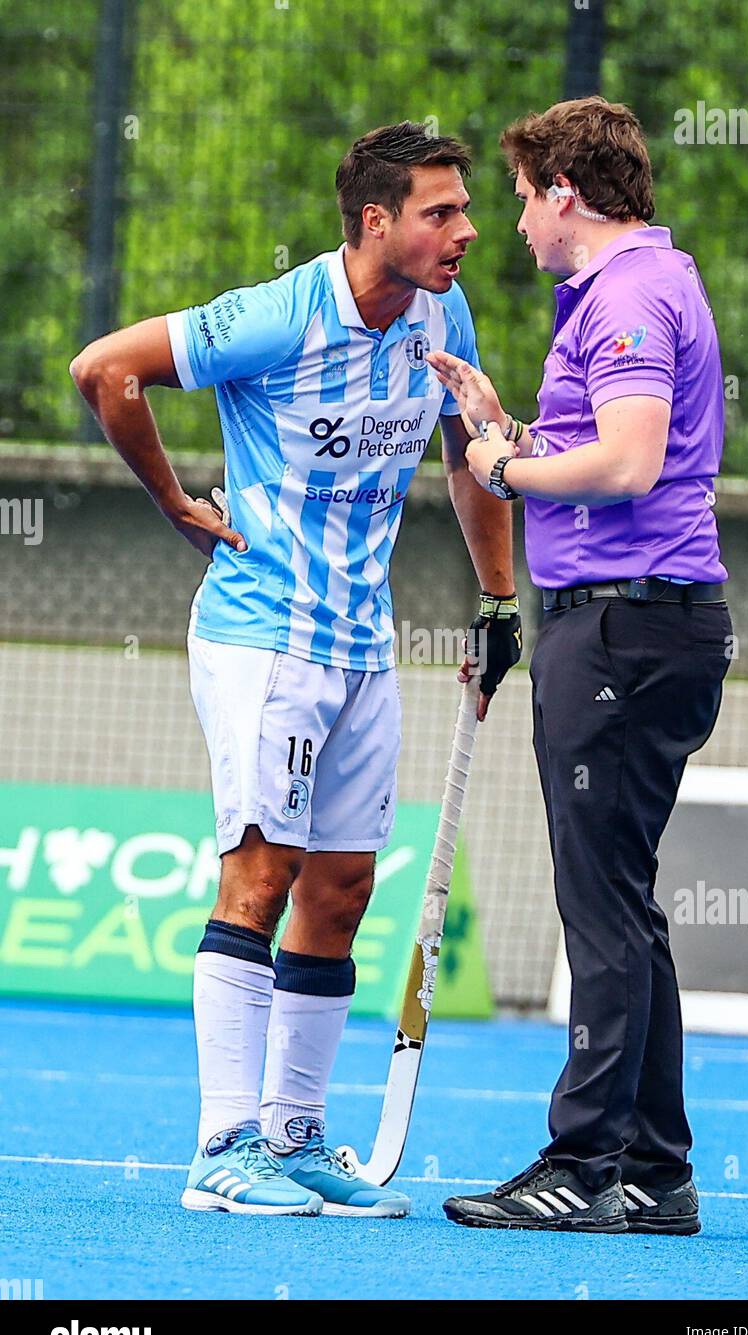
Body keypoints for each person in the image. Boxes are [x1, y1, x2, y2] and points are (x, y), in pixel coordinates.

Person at [70, 121, 520, 1218]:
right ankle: (220, 1149)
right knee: (261, 875)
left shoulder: (440, 313)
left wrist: (499, 595)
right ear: (375, 222)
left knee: (341, 887)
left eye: (464, 208)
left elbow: (466, 453)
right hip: (264, 636)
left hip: (365, 642)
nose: (464, 230)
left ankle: (296, 1133)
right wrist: (176, 502)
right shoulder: (281, 312)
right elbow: (106, 370)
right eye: (440, 212)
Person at [429, 97, 732, 1234]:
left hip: (621, 631)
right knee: (625, 906)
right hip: (638, 626)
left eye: (516, 196)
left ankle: (584, 1163)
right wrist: (509, 428)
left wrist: (504, 467)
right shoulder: (634, 289)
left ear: (564, 190)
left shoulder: (631, 293)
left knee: (600, 909)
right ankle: (652, 1170)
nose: (508, 221)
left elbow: (631, 460)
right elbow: (606, 447)